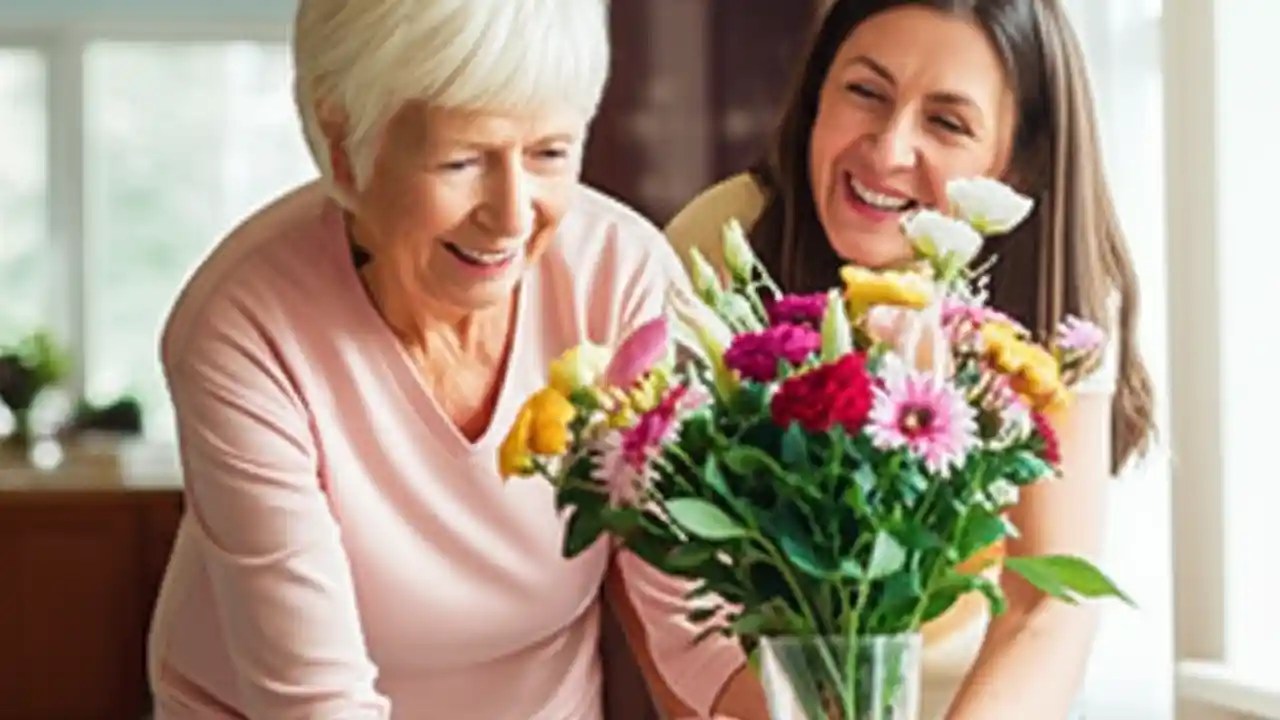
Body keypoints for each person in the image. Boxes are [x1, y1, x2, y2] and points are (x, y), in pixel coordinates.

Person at [145, 1, 768, 718]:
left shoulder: (619, 280)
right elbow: (316, 702)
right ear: (346, 145)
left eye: (549, 154)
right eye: (462, 161)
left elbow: (695, 619)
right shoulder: (246, 327)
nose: (511, 216)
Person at [665, 1, 1156, 719]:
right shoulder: (724, 242)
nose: (889, 149)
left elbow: (1046, 606)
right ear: (815, 95)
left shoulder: (1058, 290)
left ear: (1017, 161)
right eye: (865, 92)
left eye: (948, 123)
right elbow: (660, 591)